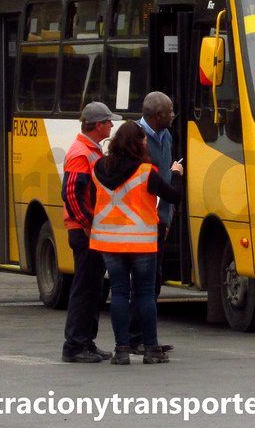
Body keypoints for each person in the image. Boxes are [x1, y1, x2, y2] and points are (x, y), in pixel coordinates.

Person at [91, 121, 183, 365]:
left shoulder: (99, 167)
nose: (146, 143)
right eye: (143, 140)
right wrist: (176, 174)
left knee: (119, 293)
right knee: (144, 294)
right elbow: (173, 196)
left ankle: (121, 350)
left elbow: (91, 198)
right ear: (137, 143)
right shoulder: (145, 172)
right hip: (141, 241)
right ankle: (151, 349)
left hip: (109, 241)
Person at [60, 101, 122, 363]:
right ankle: (75, 345)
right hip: (84, 231)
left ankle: (86, 341)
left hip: (90, 229)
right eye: (108, 122)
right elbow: (71, 193)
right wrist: (86, 223)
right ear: (97, 125)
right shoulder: (81, 153)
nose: (111, 125)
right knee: (85, 289)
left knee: (93, 288)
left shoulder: (90, 150)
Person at [130, 91, 177, 354]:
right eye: (170, 111)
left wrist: (167, 218)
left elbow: (165, 179)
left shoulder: (166, 135)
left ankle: (145, 338)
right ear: (157, 115)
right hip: (140, 220)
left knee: (153, 281)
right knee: (142, 283)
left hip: (158, 218)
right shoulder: (136, 138)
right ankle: (135, 339)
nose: (173, 115)